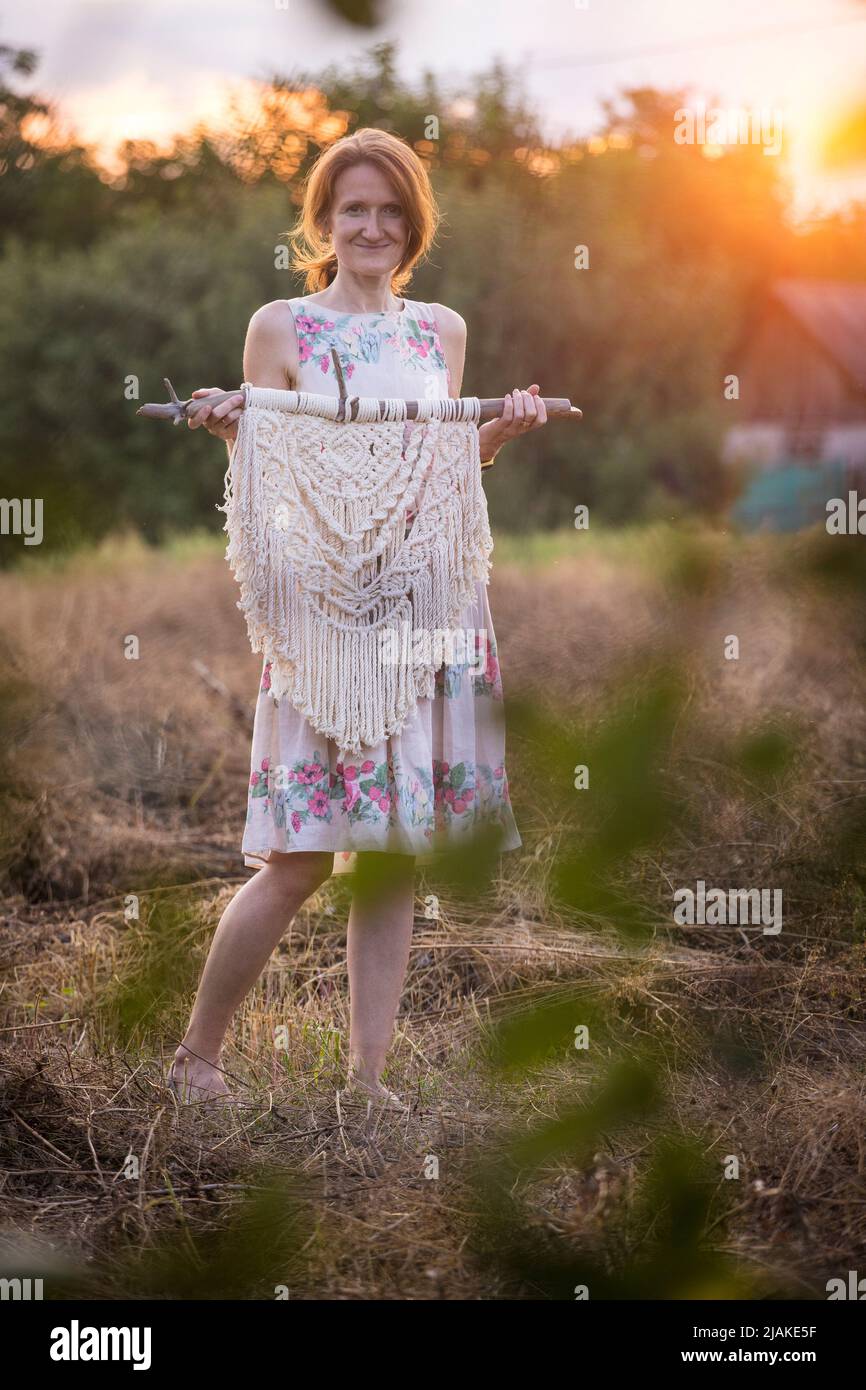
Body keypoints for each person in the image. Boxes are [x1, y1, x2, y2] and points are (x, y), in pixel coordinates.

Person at [168, 127, 548, 1109]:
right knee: (296, 859)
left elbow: (437, 469)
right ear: (324, 223)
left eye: (389, 210)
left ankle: (363, 1084)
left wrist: (493, 435)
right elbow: (267, 473)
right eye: (353, 210)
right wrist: (226, 436)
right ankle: (195, 1062)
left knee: (389, 858)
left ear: (411, 223)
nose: (372, 226)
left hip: (426, 614)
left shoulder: (440, 333)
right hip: (328, 623)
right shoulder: (281, 329)